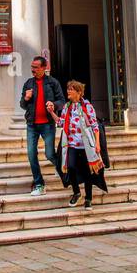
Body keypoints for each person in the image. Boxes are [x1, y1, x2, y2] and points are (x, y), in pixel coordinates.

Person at [55, 80, 108, 210]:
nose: (68, 91)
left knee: (87, 172)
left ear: (79, 92)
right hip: (71, 144)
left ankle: (88, 198)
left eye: (71, 89)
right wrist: (51, 112)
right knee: (71, 167)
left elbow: (95, 126)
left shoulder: (87, 106)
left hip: (86, 146)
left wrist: (97, 144)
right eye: (68, 89)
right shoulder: (67, 107)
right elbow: (61, 123)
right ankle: (76, 192)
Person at [19, 56, 65, 196]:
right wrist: (26, 98)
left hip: (47, 124)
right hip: (32, 125)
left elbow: (62, 101)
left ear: (44, 68)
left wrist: (54, 105)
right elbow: (22, 104)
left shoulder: (52, 83)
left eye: (36, 67)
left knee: (50, 154)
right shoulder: (28, 83)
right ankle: (39, 184)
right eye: (32, 67)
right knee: (31, 154)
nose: (33, 70)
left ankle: (62, 168)